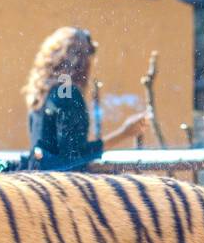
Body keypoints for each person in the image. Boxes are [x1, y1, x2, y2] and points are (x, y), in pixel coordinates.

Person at [18, 26, 148, 171]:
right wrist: (124, 133)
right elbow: (72, 156)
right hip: (59, 184)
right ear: (80, 61)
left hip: (35, 179)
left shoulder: (41, 93)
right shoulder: (67, 93)